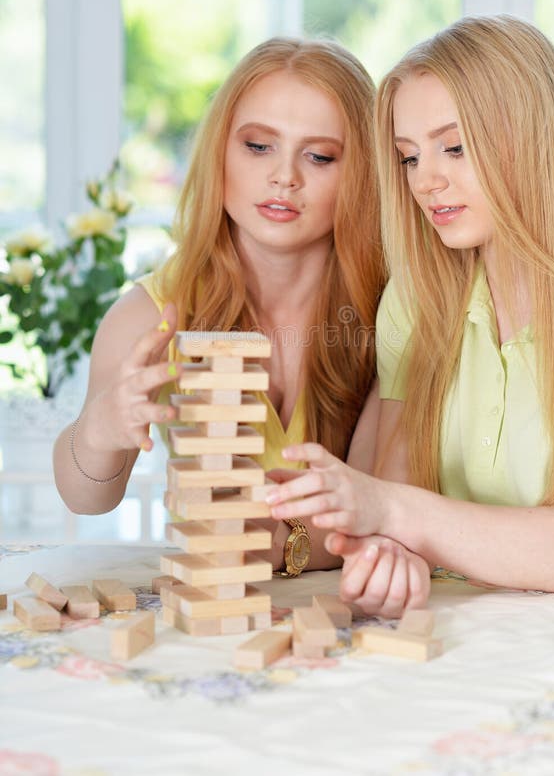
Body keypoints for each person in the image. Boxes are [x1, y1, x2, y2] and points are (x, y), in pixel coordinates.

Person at [53, 36, 429, 608]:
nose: (284, 177)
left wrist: (281, 546)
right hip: (209, 604)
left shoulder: (392, 313)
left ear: (364, 175)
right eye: (258, 146)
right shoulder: (149, 315)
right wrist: (102, 427)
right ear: (220, 153)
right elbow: (87, 499)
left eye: (320, 156)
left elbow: (380, 511)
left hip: (344, 609)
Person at [267, 15, 554, 601]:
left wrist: (388, 512)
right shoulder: (416, 300)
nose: (426, 181)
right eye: (409, 157)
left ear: (537, 137)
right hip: (464, 638)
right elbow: (394, 489)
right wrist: (387, 554)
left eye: (454, 147)